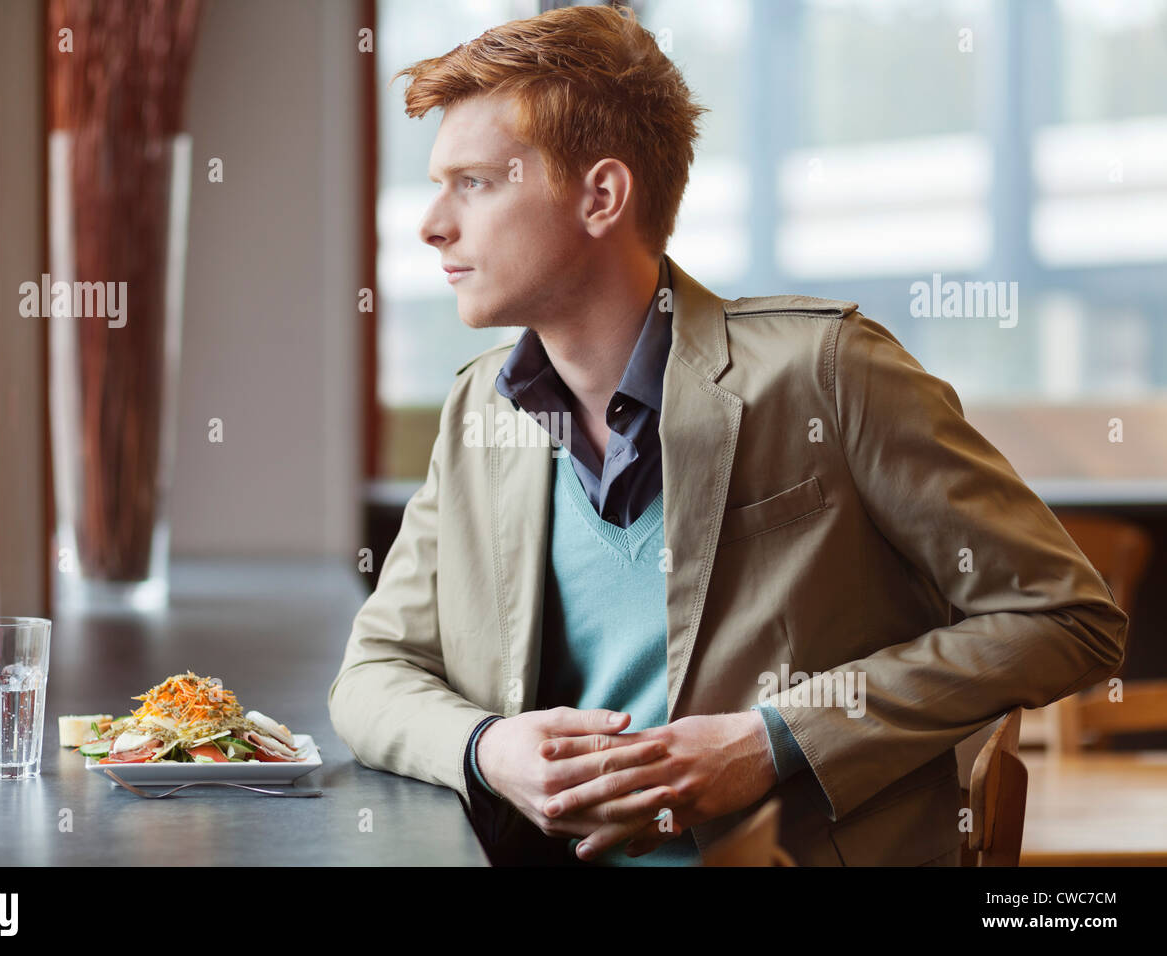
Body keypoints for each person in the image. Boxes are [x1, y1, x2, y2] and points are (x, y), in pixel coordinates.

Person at [328, 4, 1127, 866]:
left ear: (602, 194)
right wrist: (487, 748)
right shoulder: (477, 409)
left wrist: (775, 739)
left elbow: (1066, 619)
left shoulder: (829, 370)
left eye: (475, 182)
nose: (431, 223)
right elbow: (373, 675)